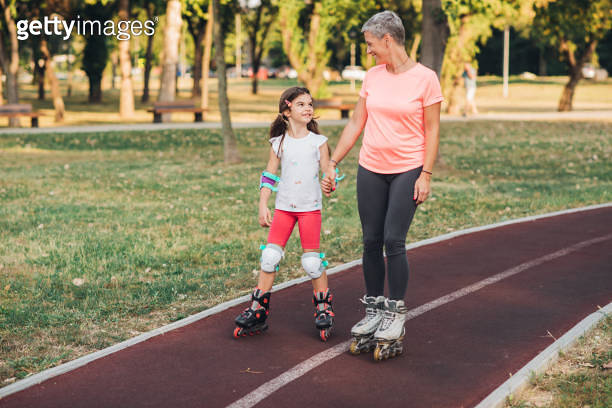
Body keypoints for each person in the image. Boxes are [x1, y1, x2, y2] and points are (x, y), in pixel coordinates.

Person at [321, 10, 443, 360]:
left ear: (388, 40)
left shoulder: (425, 79)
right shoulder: (373, 77)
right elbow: (357, 121)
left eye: (371, 44)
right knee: (371, 240)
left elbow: (432, 130)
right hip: (371, 167)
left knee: (393, 239)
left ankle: (395, 313)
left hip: (408, 167)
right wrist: (332, 162)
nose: (369, 52)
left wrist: (426, 174)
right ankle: (374, 310)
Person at [233, 86, 336, 342]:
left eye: (310, 104)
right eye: (301, 104)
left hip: (309, 208)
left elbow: (328, 174)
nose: (308, 108)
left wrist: (330, 183)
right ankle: (258, 309)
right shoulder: (278, 143)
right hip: (284, 208)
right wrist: (262, 203)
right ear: (286, 110)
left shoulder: (318, 142)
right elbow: (269, 174)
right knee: (269, 258)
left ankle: (324, 307)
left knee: (312, 263)